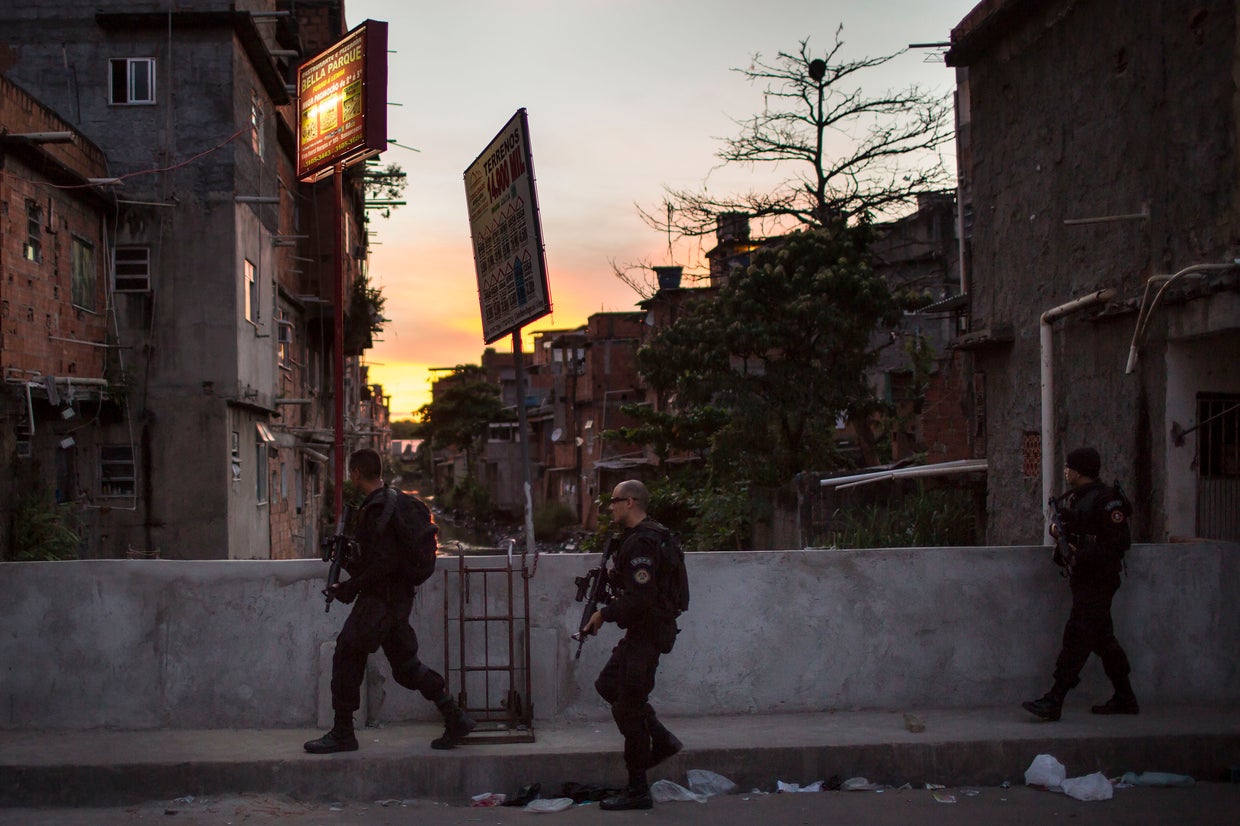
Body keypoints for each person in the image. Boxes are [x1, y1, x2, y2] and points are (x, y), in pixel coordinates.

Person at [304, 448, 475, 753]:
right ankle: (454, 715)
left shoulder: (375, 510)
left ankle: (343, 731)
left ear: (356, 473)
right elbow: (379, 560)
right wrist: (348, 565)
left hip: (380, 600)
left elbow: (383, 564)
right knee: (406, 665)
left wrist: (349, 588)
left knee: (346, 653)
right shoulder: (395, 501)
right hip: (397, 599)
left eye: (351, 472)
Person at [580, 480, 684, 811]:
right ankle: (663, 739)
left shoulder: (642, 543)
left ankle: (638, 790)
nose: (609, 507)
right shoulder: (644, 538)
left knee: (628, 709)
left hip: (649, 633)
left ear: (630, 502)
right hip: (641, 632)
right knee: (608, 684)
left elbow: (642, 597)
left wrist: (603, 614)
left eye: (613, 502)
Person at [1023, 446, 1138, 721]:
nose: (1065, 471)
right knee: (1102, 640)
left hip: (1099, 580)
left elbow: (1119, 543)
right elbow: (1080, 529)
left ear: (1078, 471)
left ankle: (1055, 698)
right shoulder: (1079, 499)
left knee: (1077, 637)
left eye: (1068, 467)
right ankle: (1125, 696)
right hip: (1085, 579)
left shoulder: (1107, 500)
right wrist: (1058, 530)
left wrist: (1080, 555)